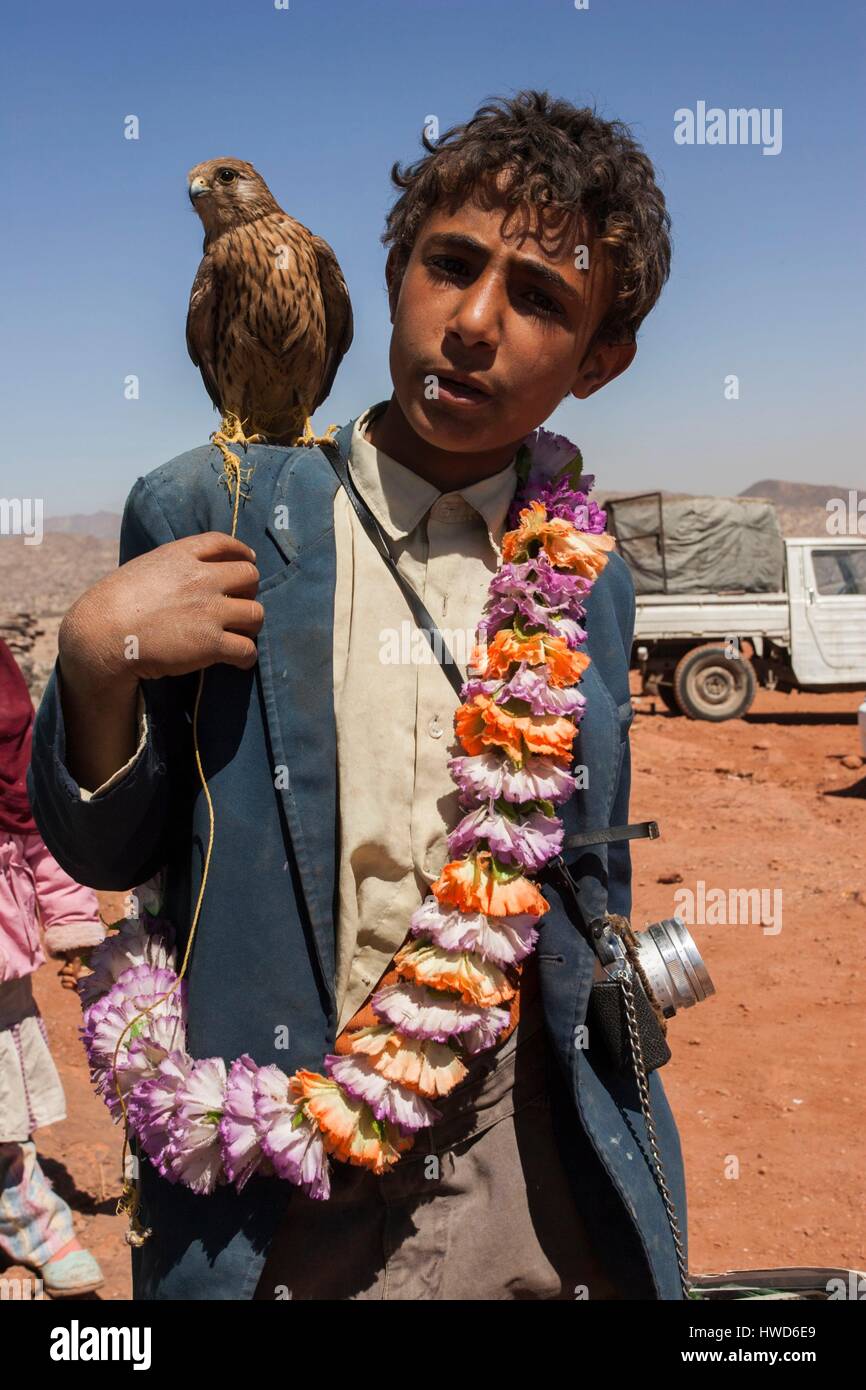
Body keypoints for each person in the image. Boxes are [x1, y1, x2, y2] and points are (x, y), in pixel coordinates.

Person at [27, 91, 689, 1300]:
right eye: (451, 266)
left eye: (540, 296)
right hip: (276, 1167)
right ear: (392, 275)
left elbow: (588, 876)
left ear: (599, 360)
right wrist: (93, 658)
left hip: (512, 1151)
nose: (475, 323)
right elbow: (111, 843)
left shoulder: (584, 578)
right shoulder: (210, 514)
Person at [0, 638, 106, 1297]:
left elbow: (42, 833)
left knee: (2, 1121)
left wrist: (71, 918)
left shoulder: (12, 761)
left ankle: (34, 1226)